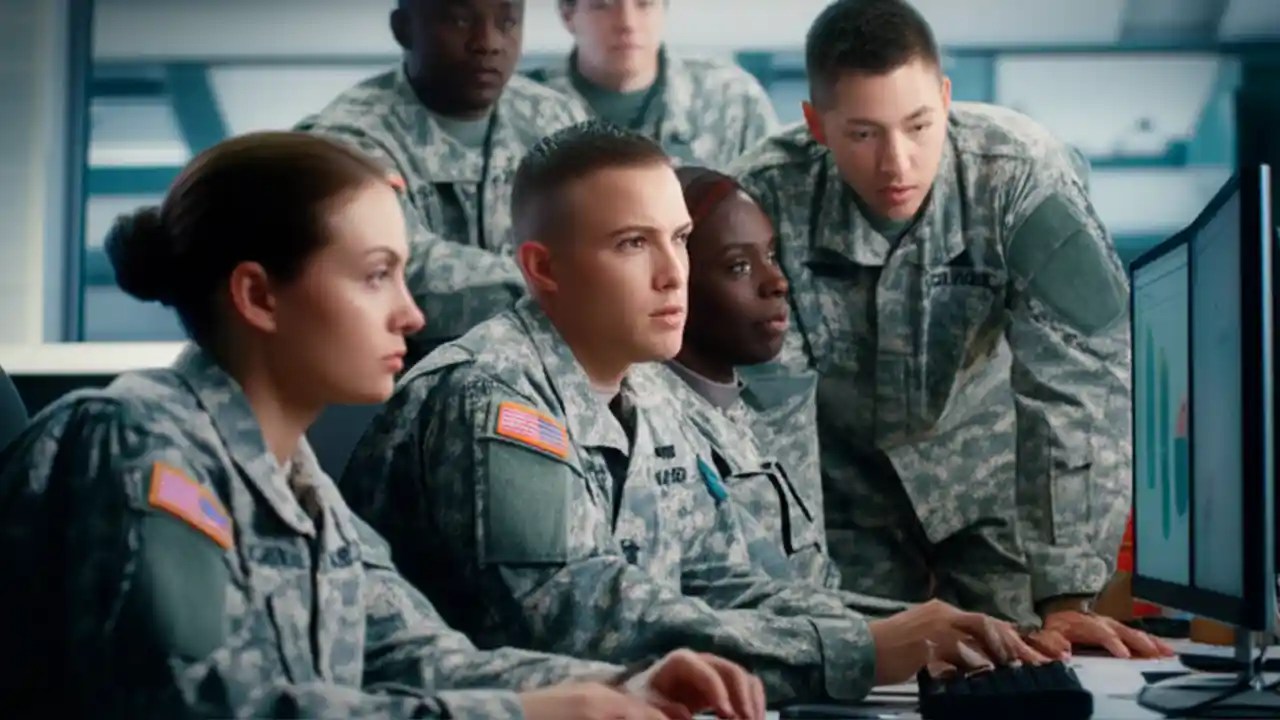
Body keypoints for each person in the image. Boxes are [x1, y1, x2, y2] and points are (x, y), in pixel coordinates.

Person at [0, 131, 766, 720]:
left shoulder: (302, 489)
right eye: (375, 276)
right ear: (259, 297)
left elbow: (417, 657)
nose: (412, 312)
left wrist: (619, 685)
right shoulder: (136, 449)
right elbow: (220, 708)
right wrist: (524, 712)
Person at [340, 120, 1048, 710]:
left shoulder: (647, 390)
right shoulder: (491, 397)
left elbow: (716, 578)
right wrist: (860, 651)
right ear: (544, 269)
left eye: (677, 238)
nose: (672, 272)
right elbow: (579, 619)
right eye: (632, 244)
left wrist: (911, 629)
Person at [729, 0, 1175, 659]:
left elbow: (1079, 377)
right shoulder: (763, 198)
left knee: (1018, 670)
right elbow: (769, 418)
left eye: (918, 124)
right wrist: (804, 610)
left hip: (992, 484)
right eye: (863, 134)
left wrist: (1068, 592)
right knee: (855, 678)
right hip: (844, 496)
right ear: (816, 125)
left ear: (945, 96)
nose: (897, 162)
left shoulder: (1021, 176)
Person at [296, 0, 591, 365]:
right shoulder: (347, 140)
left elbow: (605, 228)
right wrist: (570, 286)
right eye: (461, 19)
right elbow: (403, 273)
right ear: (403, 29)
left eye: (508, 22)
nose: (488, 42)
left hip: (551, 371)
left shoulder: (554, 117)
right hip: (404, 381)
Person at [639, 164, 835, 589]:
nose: (778, 282)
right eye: (738, 268)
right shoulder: (652, 430)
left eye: (770, 255)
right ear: (671, 281)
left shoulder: (742, 408)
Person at [526, 0, 778, 169]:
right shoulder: (523, 109)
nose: (627, 23)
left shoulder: (731, 99)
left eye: (644, 3)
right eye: (604, 5)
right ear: (568, 15)